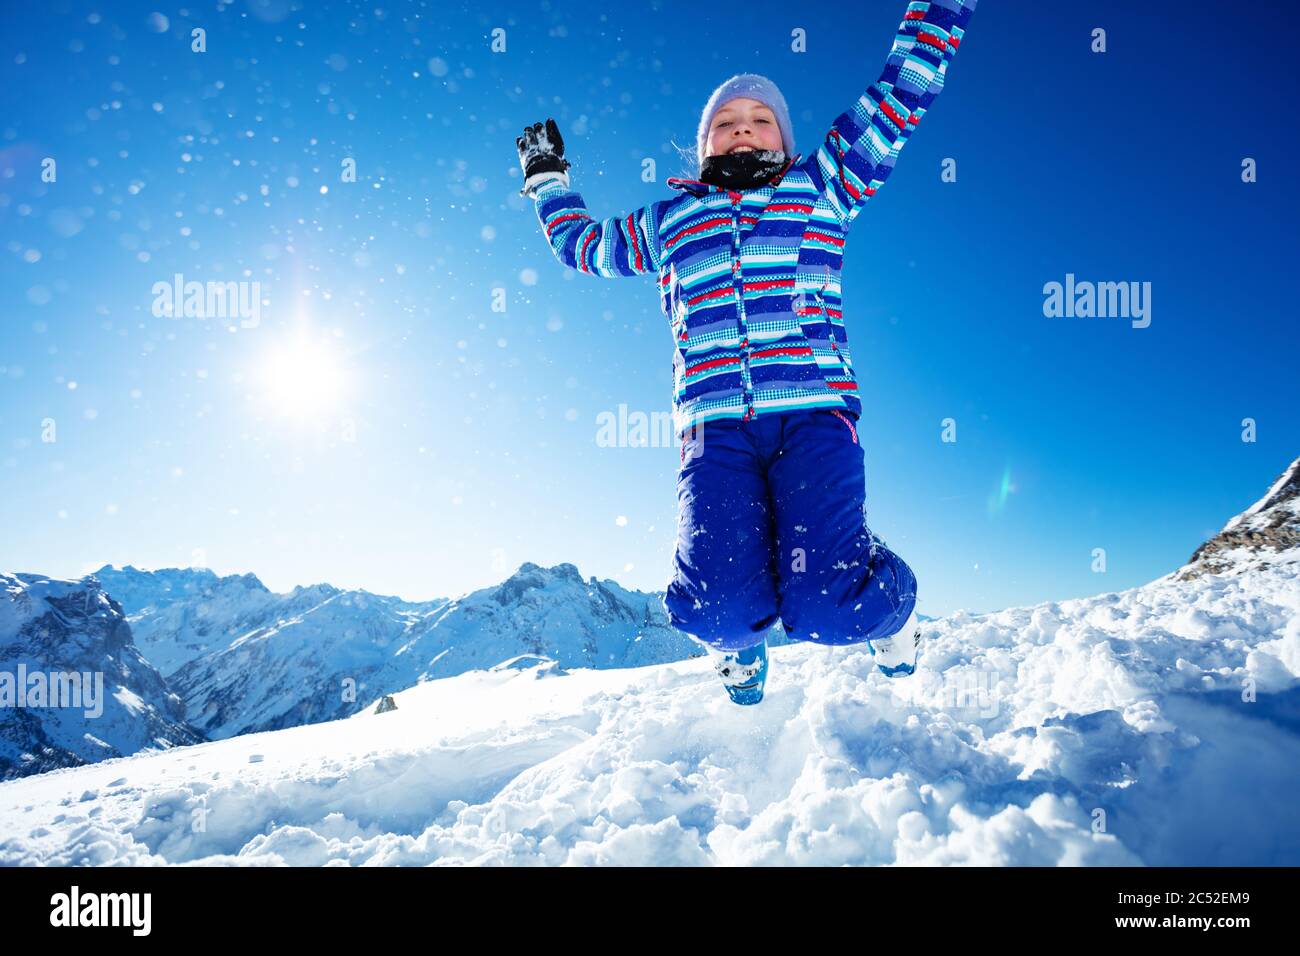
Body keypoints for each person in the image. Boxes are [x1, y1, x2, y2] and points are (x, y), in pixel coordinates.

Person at [516, 0, 977, 704]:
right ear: (703, 146)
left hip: (815, 417)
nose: (742, 128)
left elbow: (899, 94)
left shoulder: (823, 186)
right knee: (711, 609)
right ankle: (738, 647)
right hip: (714, 431)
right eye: (726, 123)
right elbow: (585, 248)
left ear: (784, 139)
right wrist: (551, 183)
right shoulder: (670, 221)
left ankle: (892, 605)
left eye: (759, 119)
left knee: (827, 608)